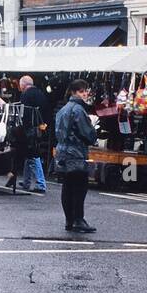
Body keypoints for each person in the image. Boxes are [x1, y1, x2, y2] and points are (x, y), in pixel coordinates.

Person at [54, 79, 98, 234]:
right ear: (74, 92)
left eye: (86, 90)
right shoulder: (79, 110)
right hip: (76, 153)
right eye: (81, 91)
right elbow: (88, 135)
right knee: (80, 187)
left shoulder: (62, 110)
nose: (85, 94)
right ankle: (79, 219)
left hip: (62, 152)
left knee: (67, 186)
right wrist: (94, 128)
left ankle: (69, 220)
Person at [17, 75, 53, 194]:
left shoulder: (26, 95)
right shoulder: (41, 93)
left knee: (33, 154)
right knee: (30, 154)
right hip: (41, 127)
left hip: (30, 129)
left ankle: (41, 183)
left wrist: (22, 127)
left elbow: (24, 114)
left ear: (23, 85)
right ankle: (26, 181)